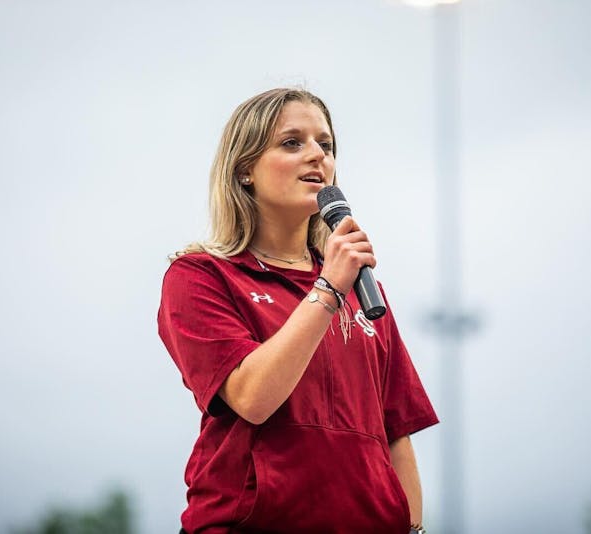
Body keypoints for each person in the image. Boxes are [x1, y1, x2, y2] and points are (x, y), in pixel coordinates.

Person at [158, 88, 438, 534]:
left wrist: (414, 529)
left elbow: (395, 432)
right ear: (244, 169)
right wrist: (327, 290)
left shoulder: (363, 290)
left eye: (325, 145)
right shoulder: (201, 276)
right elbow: (252, 398)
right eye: (292, 142)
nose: (317, 157)